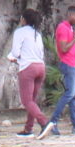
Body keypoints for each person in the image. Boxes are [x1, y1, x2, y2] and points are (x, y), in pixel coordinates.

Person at [41, 5, 75, 136]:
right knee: (69, 93)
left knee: (74, 96)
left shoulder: (71, 28)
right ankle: (53, 121)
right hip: (68, 64)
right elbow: (64, 48)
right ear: (70, 15)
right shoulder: (62, 28)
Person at [8, 9, 47, 137]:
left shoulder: (20, 32)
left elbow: (15, 52)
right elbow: (41, 53)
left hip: (28, 68)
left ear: (24, 20)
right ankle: (28, 128)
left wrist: (16, 58)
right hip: (40, 67)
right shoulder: (37, 34)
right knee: (32, 101)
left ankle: (44, 122)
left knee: (26, 101)